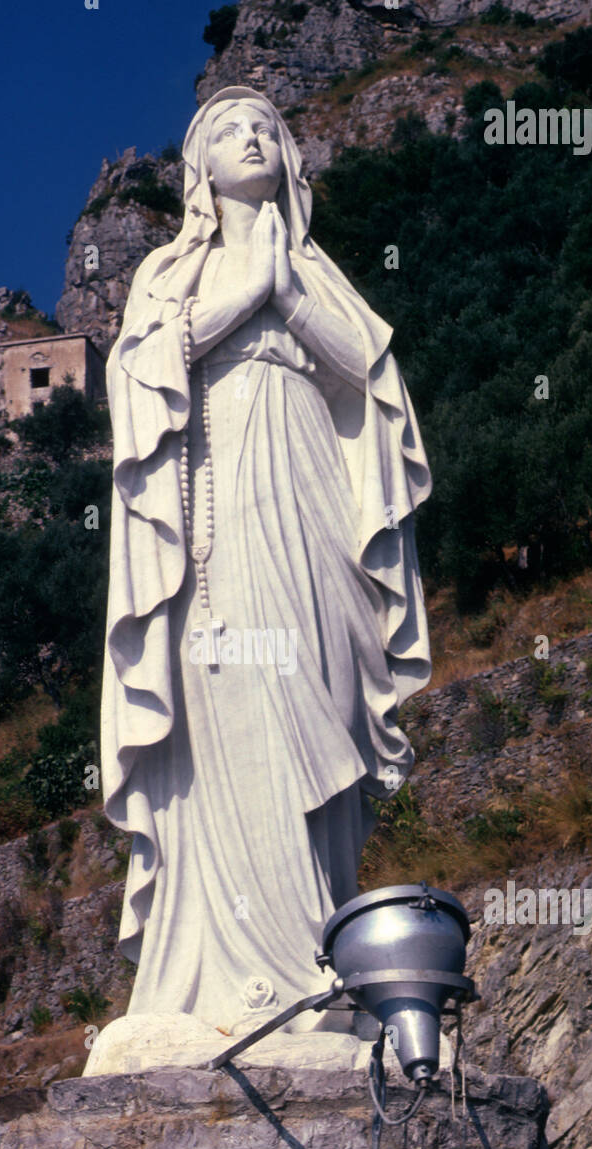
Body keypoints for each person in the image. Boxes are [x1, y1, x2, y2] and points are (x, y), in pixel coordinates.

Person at [100, 86, 432, 1035]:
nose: (251, 138)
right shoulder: (169, 270)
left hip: (314, 495)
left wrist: (290, 288)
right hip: (218, 498)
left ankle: (322, 952)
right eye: (226, 131)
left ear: (291, 159)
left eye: (268, 130)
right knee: (242, 699)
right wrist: (254, 287)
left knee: (323, 701)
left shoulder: (316, 269)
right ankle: (248, 970)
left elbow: (369, 377)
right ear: (197, 168)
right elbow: (142, 372)